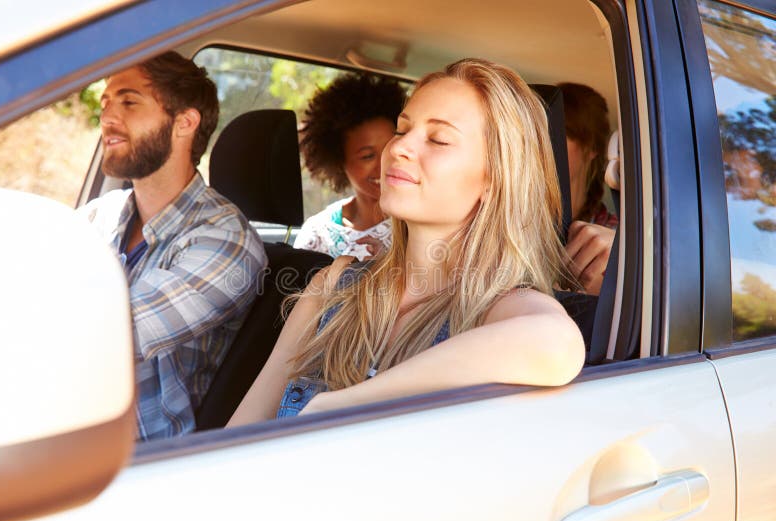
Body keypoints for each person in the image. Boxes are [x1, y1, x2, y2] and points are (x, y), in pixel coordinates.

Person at [227, 58, 584, 425]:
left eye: (438, 139)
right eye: (402, 130)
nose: (397, 148)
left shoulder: (500, 307)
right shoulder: (332, 286)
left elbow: (558, 346)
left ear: (495, 180)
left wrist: (338, 407)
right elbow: (237, 437)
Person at [80, 52, 267, 440]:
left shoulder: (226, 241)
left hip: (141, 464)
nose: (108, 118)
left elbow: (102, 336)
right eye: (106, 103)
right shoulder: (101, 215)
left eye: (129, 102)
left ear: (184, 123)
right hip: (66, 427)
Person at [292, 73, 406, 260]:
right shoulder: (319, 234)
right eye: (367, 156)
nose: (384, 164)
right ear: (338, 161)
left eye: (390, 147)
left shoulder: (424, 225)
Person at [558, 82, 617, 296]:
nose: (542, 142)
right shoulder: (506, 219)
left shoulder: (619, 238)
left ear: (591, 148)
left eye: (559, 132)